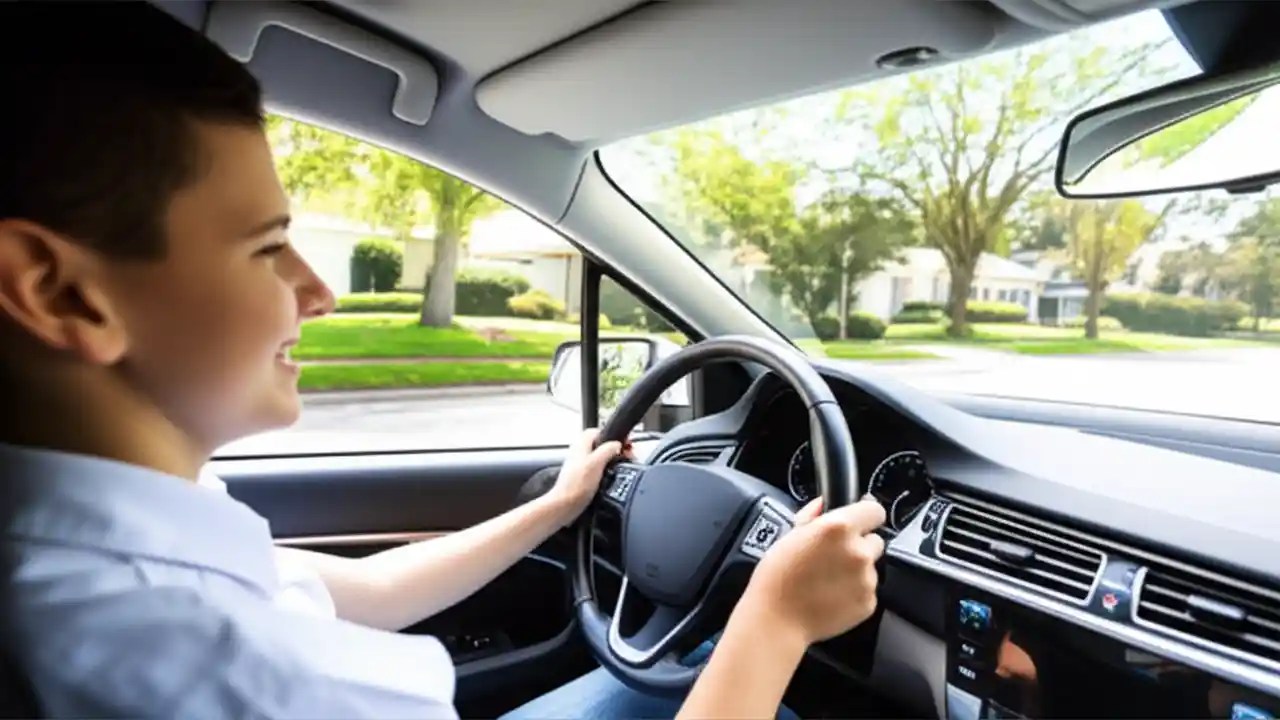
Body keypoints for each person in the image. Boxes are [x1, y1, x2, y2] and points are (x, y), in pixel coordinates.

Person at [0, 3, 886, 718]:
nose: (320, 293)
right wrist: (776, 623)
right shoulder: (230, 671)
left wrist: (557, 509)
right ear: (55, 290)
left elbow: (359, 589)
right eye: (267, 247)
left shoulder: (106, 538)